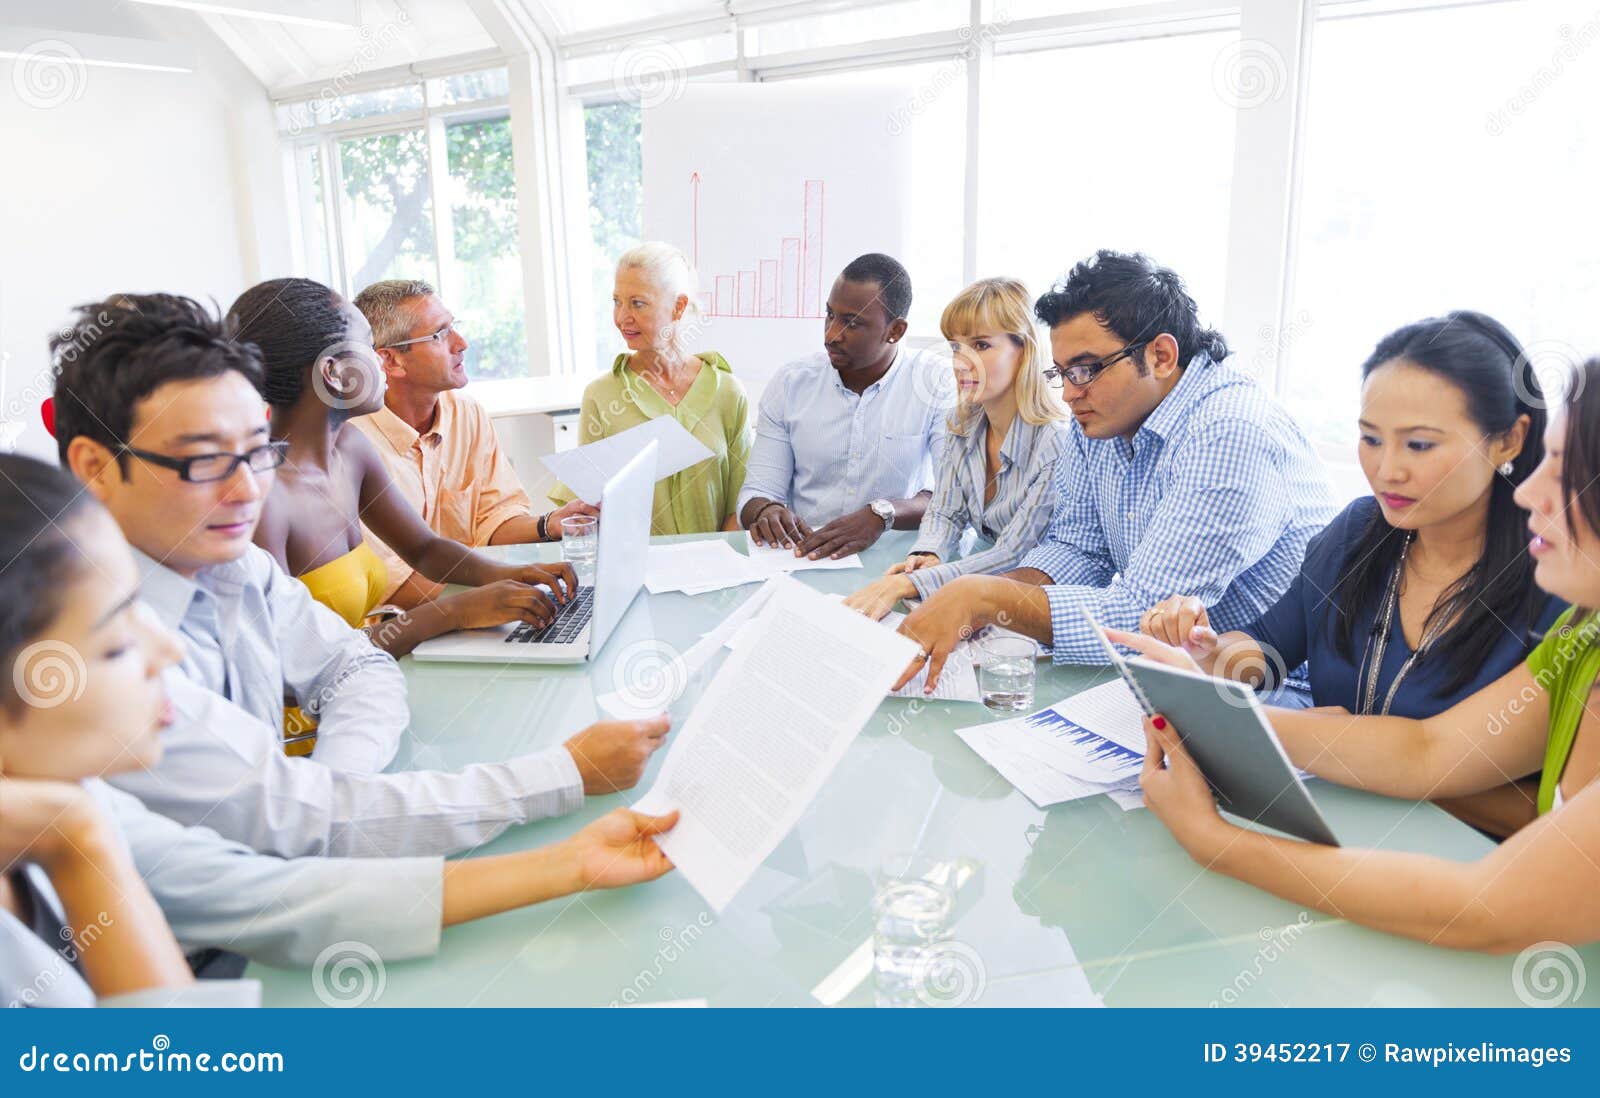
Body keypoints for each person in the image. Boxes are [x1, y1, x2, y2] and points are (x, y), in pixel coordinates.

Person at [0, 454, 679, 980]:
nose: (165, 648)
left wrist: (570, 864)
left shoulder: (75, 810)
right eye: (117, 640)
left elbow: (278, 894)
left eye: (255, 449)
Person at [52, 294, 668, 858]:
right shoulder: (103, 649)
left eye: (255, 451)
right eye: (209, 459)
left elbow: (355, 667)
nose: (244, 488)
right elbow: (283, 830)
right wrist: (557, 772)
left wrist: (325, 796)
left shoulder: (235, 561)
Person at [1115, 357, 1600, 952]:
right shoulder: (1583, 636)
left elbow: (1488, 906)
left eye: (1566, 469)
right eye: (1370, 438)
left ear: (1505, 440)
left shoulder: (1548, 591)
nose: (1529, 491)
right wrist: (1215, 694)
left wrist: (1210, 838)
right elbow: (1429, 751)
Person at [891, 250, 1335, 693]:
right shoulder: (1102, 417)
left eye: (1085, 369)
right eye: (1061, 373)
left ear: (1161, 355)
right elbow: (1078, 548)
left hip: (1280, 691)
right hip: (1179, 671)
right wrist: (983, 602)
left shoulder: (1229, 432)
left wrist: (982, 597)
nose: (1068, 394)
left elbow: (1142, 616)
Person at [1139, 313, 1563, 756]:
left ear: (1509, 440)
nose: (1387, 471)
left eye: (1419, 445)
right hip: (1330, 808)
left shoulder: (1557, 582)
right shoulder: (1359, 530)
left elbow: (1542, 801)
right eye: (1371, 439)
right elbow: (1267, 648)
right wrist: (1205, 653)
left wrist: (1334, 741)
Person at [227, 277, 571, 657]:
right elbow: (294, 662)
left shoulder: (350, 449)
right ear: (333, 373)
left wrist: (510, 575)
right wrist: (453, 612)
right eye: (367, 348)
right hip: (312, 710)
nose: (381, 362)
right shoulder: (264, 496)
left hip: (365, 679)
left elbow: (425, 549)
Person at [348, 279, 598, 608]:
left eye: (454, 327)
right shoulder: (350, 445)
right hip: (400, 630)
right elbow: (391, 584)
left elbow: (492, 521)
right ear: (390, 361)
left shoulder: (466, 414)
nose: (461, 343)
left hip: (472, 610)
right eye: (439, 335)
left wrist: (548, 524)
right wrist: (498, 596)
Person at [844, 277, 1070, 620]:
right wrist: (930, 553)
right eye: (955, 347)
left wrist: (911, 584)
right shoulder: (961, 425)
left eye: (980, 345)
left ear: (1023, 350)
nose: (962, 362)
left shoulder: (1055, 443)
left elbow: (1014, 553)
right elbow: (946, 511)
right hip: (979, 584)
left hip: (1034, 600)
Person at [737, 253, 955, 560]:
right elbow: (755, 493)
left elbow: (952, 498)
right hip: (805, 559)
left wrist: (883, 514)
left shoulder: (937, 383)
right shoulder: (790, 384)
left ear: (895, 331)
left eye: (852, 323)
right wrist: (767, 510)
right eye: (830, 315)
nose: (831, 335)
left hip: (894, 562)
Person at [547, 242, 750, 535]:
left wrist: (717, 563)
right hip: (635, 572)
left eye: (637, 303)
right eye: (616, 301)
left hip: (716, 568)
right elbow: (587, 507)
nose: (621, 317)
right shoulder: (601, 396)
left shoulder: (727, 391)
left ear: (678, 307)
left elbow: (740, 502)